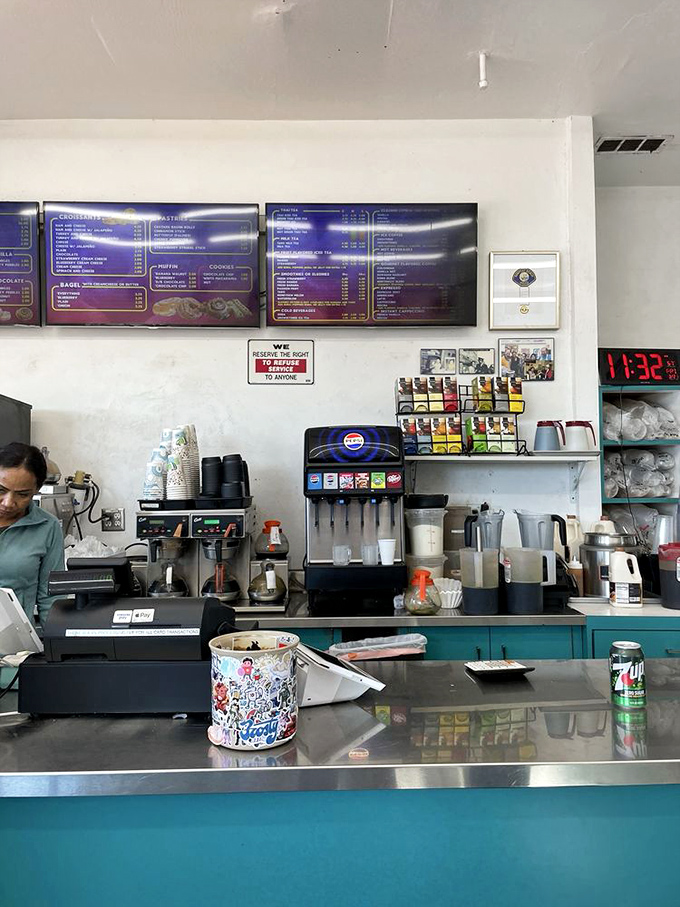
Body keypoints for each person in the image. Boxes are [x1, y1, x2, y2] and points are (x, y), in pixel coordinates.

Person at [0, 442, 64, 630]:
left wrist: (56, 648)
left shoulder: (47, 527)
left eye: (22, 494)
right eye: (1, 490)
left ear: (36, 490)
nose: (8, 503)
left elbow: (51, 597)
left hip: (12, 649)